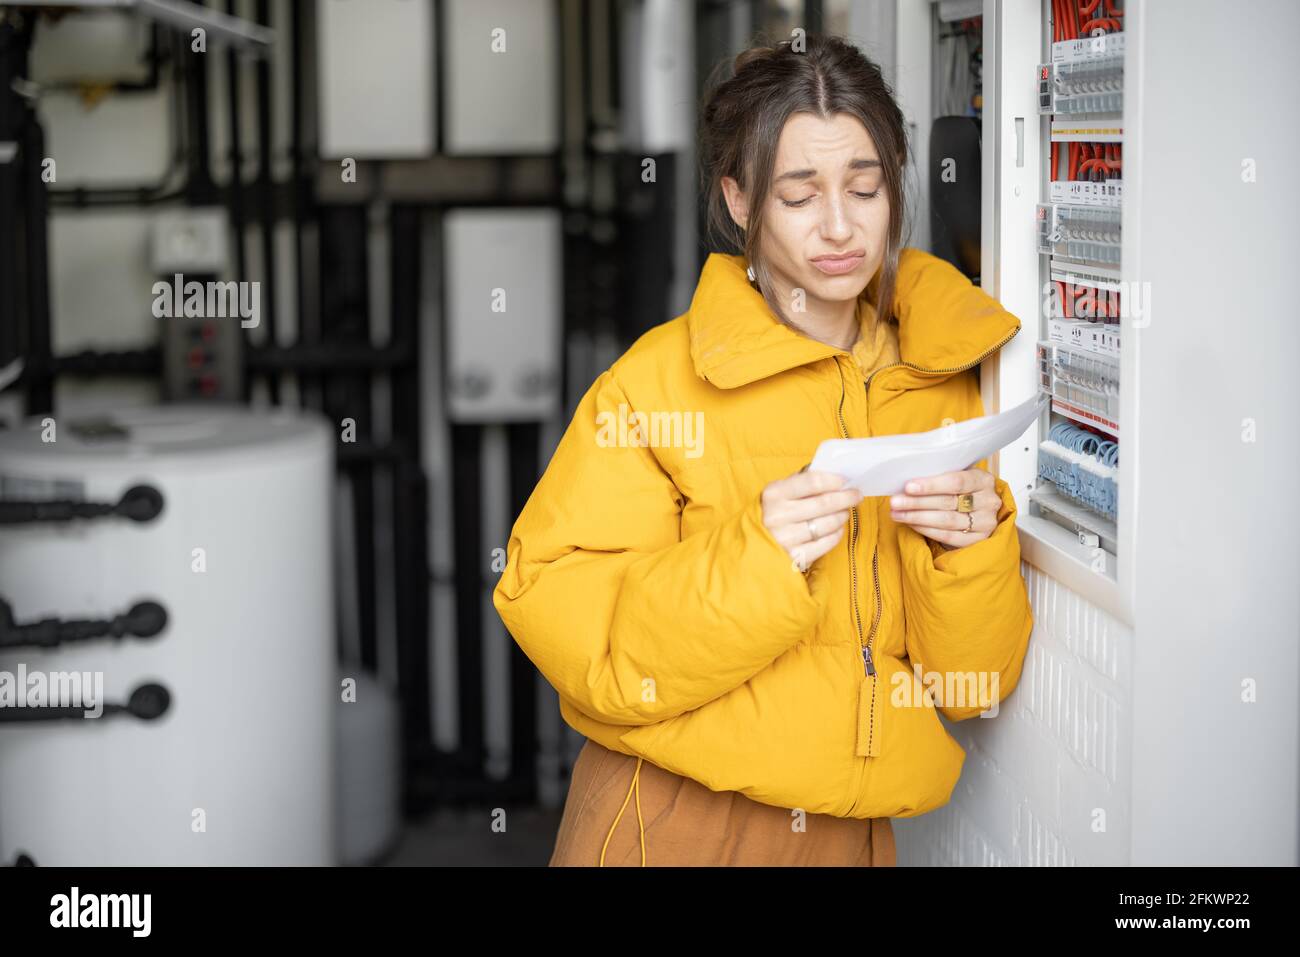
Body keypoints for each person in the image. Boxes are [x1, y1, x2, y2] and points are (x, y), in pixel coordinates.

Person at [493, 34, 1034, 867]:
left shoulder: (941, 379)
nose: (841, 226)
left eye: (866, 187)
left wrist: (968, 555)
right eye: (798, 195)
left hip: (855, 838)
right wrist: (757, 558)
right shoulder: (655, 387)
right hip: (674, 824)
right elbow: (577, 636)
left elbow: (979, 684)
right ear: (739, 200)